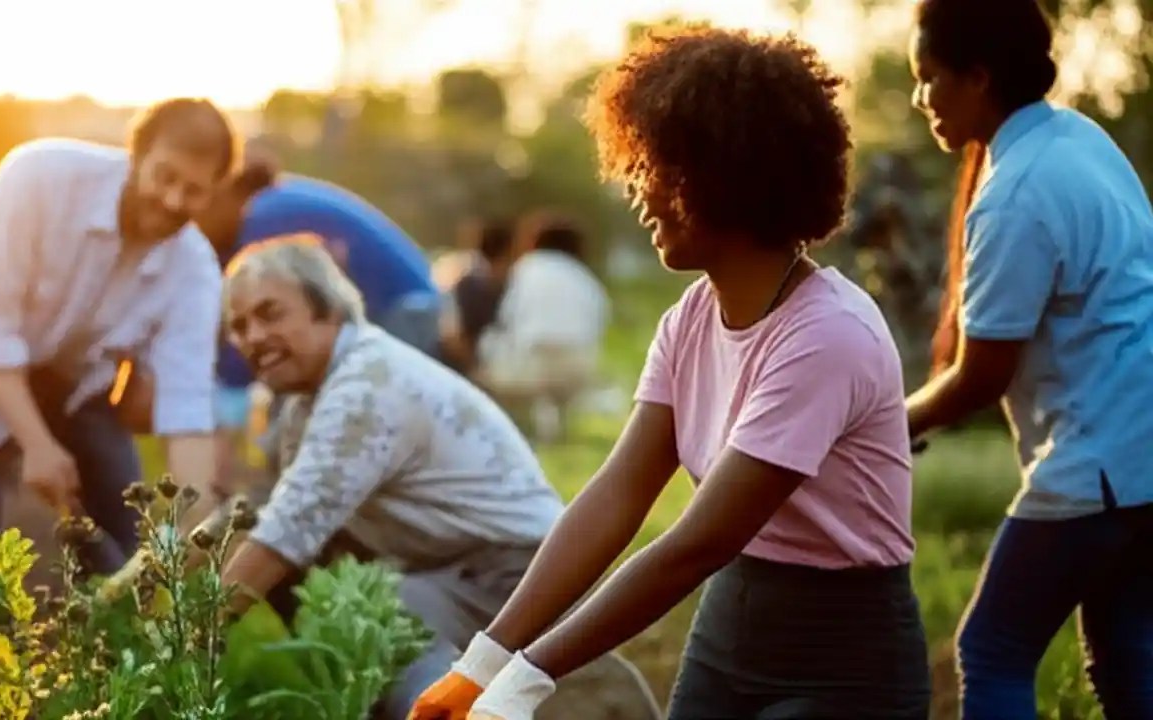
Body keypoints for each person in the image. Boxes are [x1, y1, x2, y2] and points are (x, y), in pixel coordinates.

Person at [409, 26, 930, 720]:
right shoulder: (691, 317)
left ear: (724, 178)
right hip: (733, 626)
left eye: (655, 169)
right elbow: (618, 494)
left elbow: (697, 542)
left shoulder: (826, 336)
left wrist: (526, 681)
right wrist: (483, 662)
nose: (638, 192)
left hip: (846, 658)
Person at [0, 98, 232, 641]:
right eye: (164, 177)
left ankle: (118, 657)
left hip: (74, 379)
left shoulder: (194, 269)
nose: (173, 199)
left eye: (193, 190)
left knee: (133, 536)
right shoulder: (39, 176)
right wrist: (36, 443)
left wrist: (193, 527)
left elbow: (186, 401)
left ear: (212, 191)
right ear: (136, 154)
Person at [905, 1, 1153, 717]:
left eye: (931, 79)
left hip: (1097, 464)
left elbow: (983, 377)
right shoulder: (1078, 138)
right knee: (1128, 651)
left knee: (993, 651)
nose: (922, 98)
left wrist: (882, 423)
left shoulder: (1013, 193)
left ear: (978, 78)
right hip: (1142, 457)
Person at [214, 237, 565, 720]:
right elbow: (258, 507)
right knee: (332, 592)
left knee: (367, 618)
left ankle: (439, 709)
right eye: (238, 326)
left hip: (515, 570)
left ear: (327, 310)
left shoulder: (366, 385)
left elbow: (288, 530)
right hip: (450, 560)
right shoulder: (308, 397)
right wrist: (141, 580)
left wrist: (186, 639)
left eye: (270, 313)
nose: (252, 336)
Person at [195, 154, 442, 478]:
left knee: (372, 428)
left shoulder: (261, 219)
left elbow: (253, 313)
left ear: (223, 194)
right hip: (403, 305)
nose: (193, 223)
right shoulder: (267, 208)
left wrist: (229, 396)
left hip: (402, 309)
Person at [473, 212, 610, 442]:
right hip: (579, 366)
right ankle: (556, 428)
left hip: (532, 365)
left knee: (491, 344)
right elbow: (600, 318)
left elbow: (508, 317)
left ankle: (519, 425)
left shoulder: (526, 268)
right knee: (554, 380)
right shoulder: (584, 277)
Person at [439, 217, 516, 374]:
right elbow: (453, 338)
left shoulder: (504, 285)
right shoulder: (469, 284)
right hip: (462, 370)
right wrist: (476, 370)